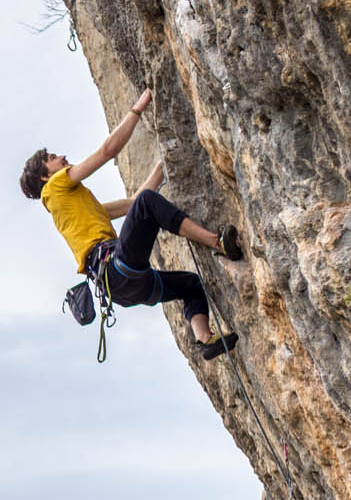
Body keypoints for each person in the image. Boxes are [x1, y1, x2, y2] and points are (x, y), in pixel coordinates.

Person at [21, 88, 245, 358]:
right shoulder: (55, 187)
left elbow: (134, 203)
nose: (62, 158)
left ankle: (205, 339)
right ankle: (216, 242)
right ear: (46, 177)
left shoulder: (74, 210)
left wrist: (162, 166)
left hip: (124, 288)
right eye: (53, 158)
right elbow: (108, 151)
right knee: (149, 203)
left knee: (191, 285)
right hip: (115, 267)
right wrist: (139, 106)